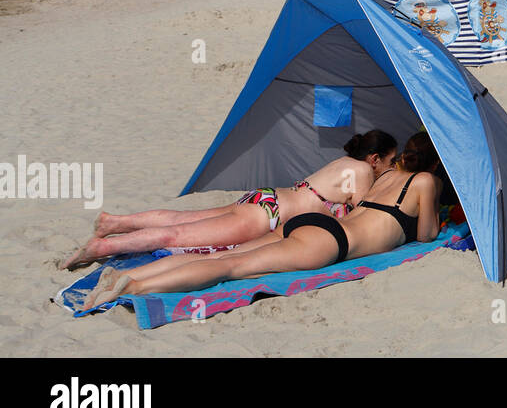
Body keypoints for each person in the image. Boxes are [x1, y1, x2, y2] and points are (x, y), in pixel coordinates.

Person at [77, 133, 442, 311]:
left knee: (226, 255)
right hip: (330, 243)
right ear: (434, 163)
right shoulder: (426, 182)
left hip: (308, 218)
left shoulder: (385, 175)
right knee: (231, 267)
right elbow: (426, 236)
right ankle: (133, 288)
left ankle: (132, 276)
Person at [60, 131, 399, 269]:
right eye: (390, 160)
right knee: (177, 236)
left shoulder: (343, 163)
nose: (390, 167)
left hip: (267, 198)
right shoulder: (363, 172)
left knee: (185, 221)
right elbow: (363, 216)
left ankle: (115, 223)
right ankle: (102, 248)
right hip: (268, 215)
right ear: (375, 158)